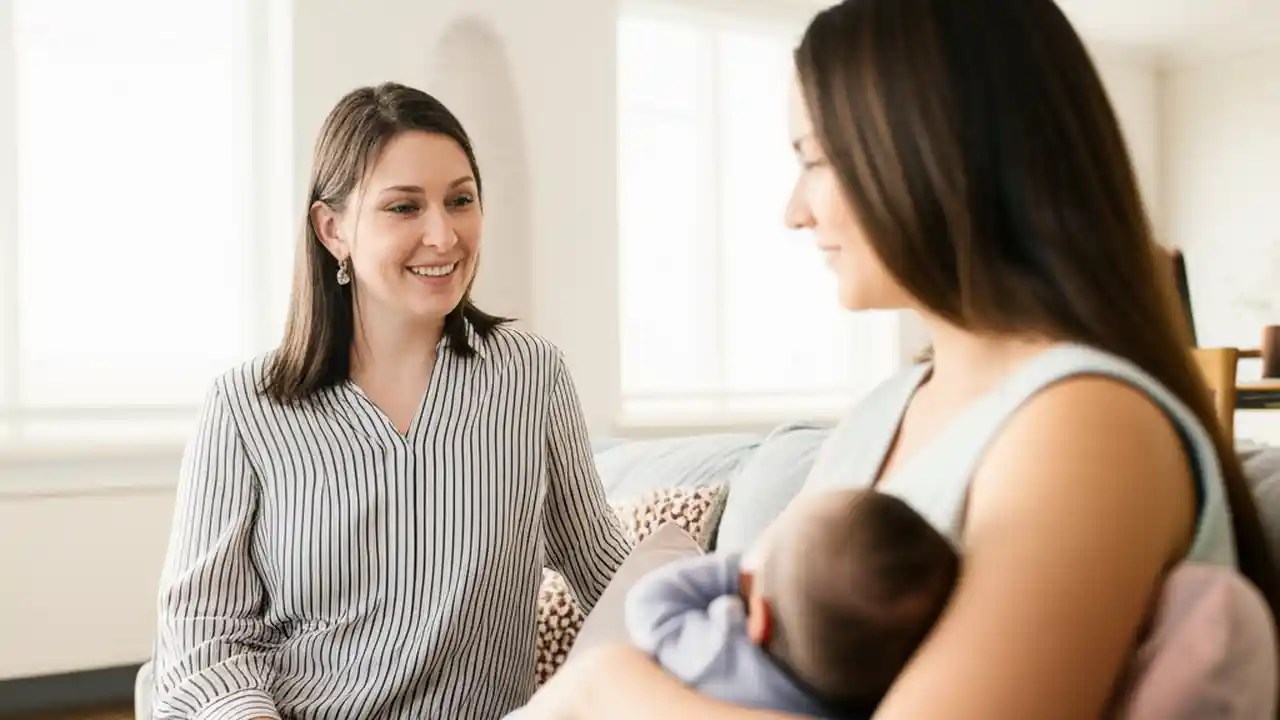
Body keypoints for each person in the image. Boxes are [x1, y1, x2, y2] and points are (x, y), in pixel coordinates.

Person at [520, 0, 1280, 717]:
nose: (794, 211)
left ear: (933, 153)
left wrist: (601, 689)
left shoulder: (1088, 429)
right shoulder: (889, 407)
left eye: (814, 161)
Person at [150, 82, 630, 719]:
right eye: (404, 208)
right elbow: (203, 634)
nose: (443, 235)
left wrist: (727, 620)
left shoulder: (532, 375)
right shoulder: (244, 406)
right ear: (332, 229)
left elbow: (602, 566)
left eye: (460, 200)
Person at [626, 490, 958, 717]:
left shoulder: (718, 654)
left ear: (761, 620)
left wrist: (743, 569)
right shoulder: (866, 706)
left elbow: (650, 600)